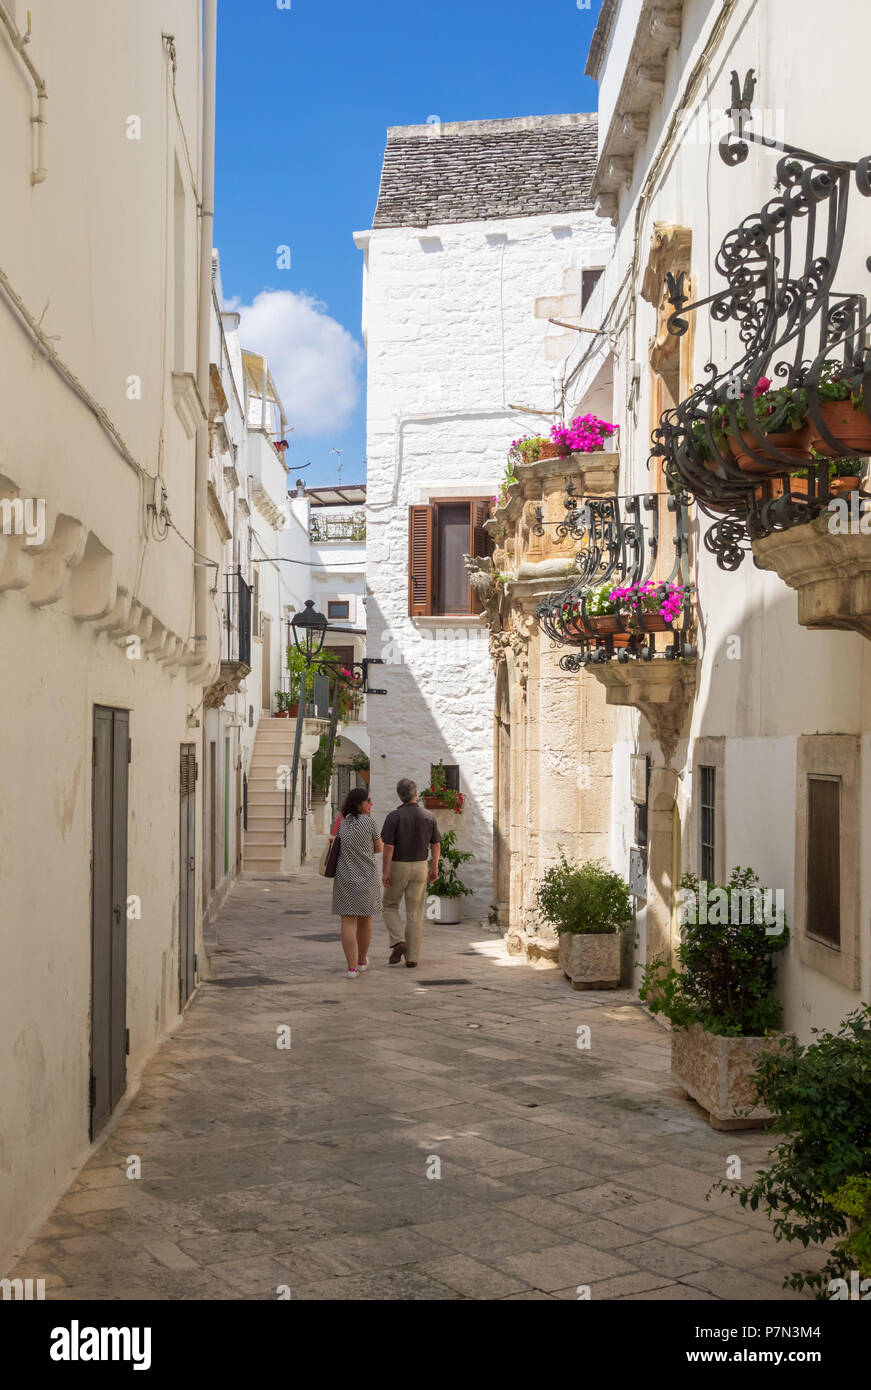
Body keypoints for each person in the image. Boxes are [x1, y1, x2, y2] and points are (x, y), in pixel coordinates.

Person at [380, 778, 441, 969]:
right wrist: (434, 866)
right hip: (420, 866)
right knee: (415, 911)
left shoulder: (394, 817)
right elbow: (436, 844)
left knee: (389, 905)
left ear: (400, 795)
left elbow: (389, 846)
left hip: (399, 865)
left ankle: (399, 941)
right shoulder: (429, 816)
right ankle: (413, 957)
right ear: (416, 794)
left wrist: (386, 870)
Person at [329, 787, 383, 978]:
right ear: (359, 803)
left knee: (348, 920)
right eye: (368, 800)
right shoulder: (370, 823)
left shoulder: (341, 821)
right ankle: (361, 961)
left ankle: (351, 968)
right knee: (365, 919)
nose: (371, 803)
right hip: (367, 877)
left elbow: (334, 840)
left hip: (345, 876)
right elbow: (378, 848)